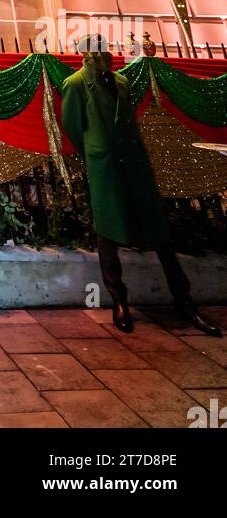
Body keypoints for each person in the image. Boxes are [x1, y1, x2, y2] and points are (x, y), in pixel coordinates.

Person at [61, 37, 221, 338]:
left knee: (159, 231)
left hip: (134, 161)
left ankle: (184, 302)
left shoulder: (121, 80)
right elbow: (72, 126)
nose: (102, 55)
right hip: (105, 165)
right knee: (107, 231)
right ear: (84, 53)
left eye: (104, 49)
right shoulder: (75, 84)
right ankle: (119, 301)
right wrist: (96, 154)